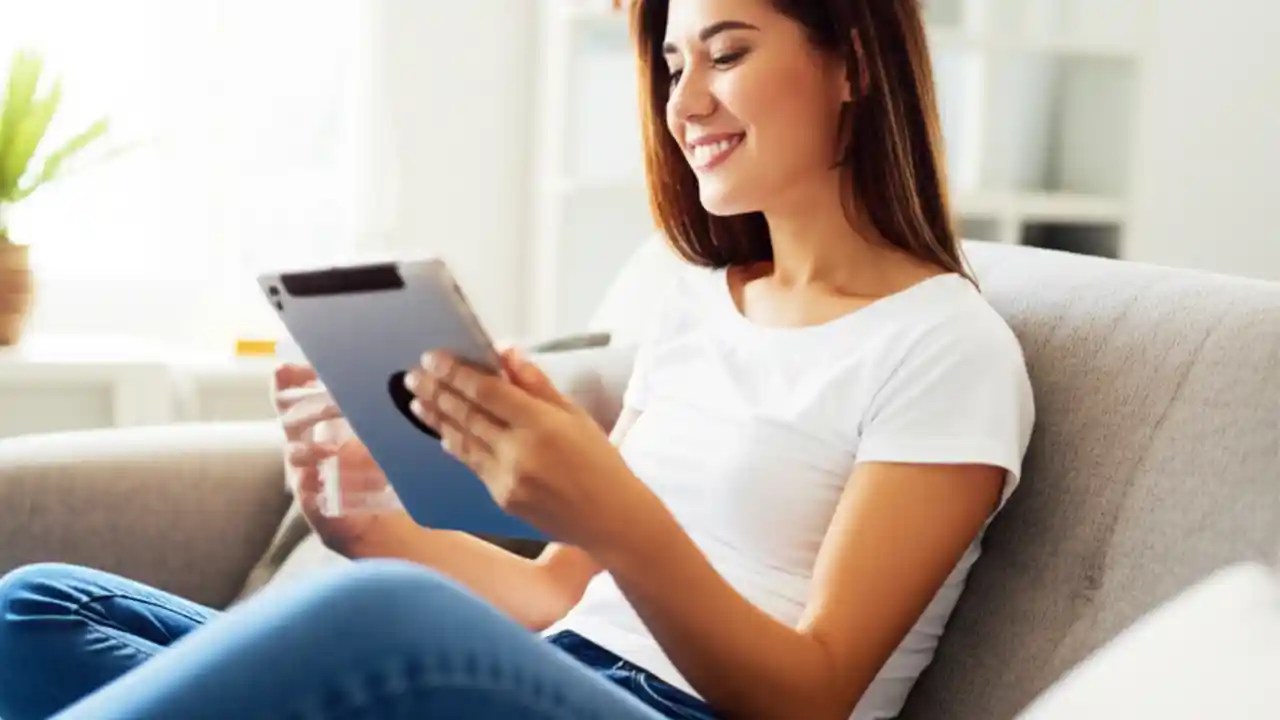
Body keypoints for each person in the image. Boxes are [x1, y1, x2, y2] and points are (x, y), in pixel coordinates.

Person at [0, 0, 1034, 717]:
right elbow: (552, 601)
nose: (684, 104)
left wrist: (613, 513)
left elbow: (809, 696)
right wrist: (363, 529)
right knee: (41, 605)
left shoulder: (943, 347)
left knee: (383, 620)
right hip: (538, 674)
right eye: (673, 66)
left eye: (726, 54)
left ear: (852, 61)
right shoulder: (697, 308)